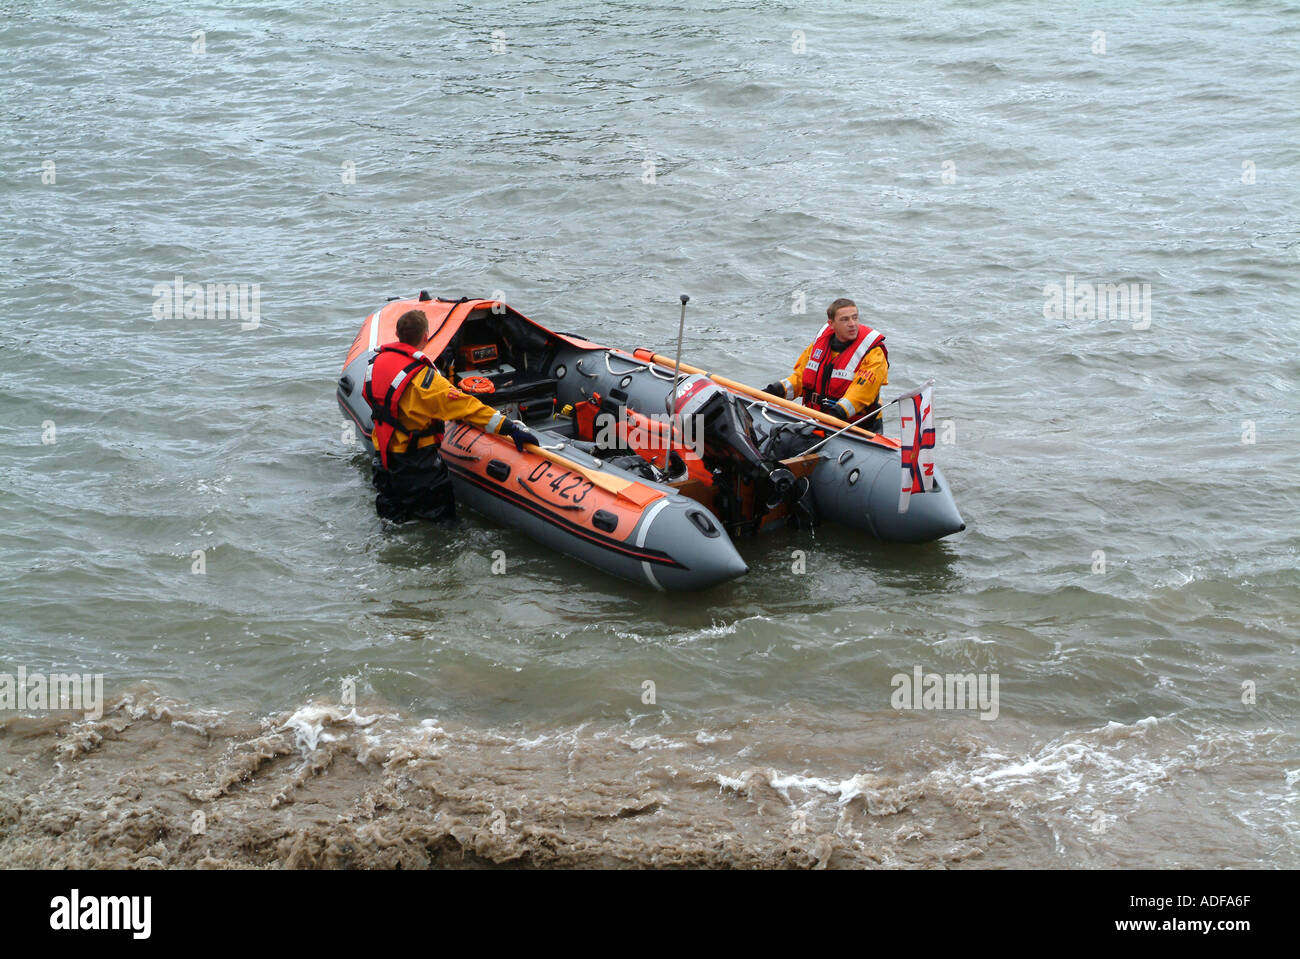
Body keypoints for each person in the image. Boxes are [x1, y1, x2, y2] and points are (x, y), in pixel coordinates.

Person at [365, 309, 538, 522]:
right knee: (442, 523)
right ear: (426, 336)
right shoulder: (425, 379)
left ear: (398, 334)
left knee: (393, 522)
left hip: (384, 463)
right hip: (418, 466)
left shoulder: (375, 364)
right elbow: (468, 407)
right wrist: (510, 428)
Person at [764, 297, 889, 433]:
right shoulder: (819, 345)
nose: (852, 324)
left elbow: (860, 394)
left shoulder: (873, 353)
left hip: (858, 426)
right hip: (818, 420)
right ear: (831, 324)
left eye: (855, 318)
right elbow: (801, 378)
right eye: (845, 319)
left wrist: (833, 416)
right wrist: (774, 391)